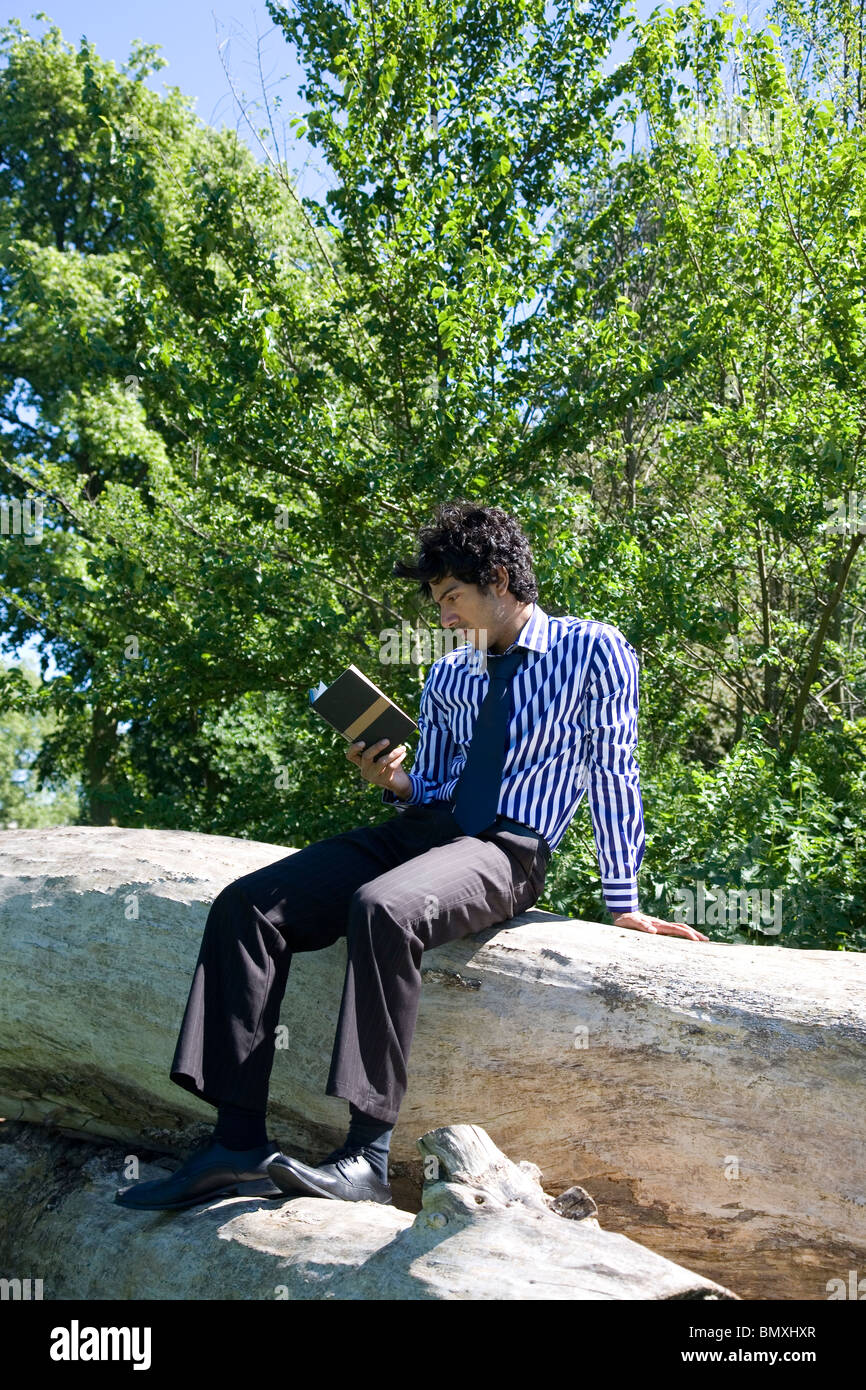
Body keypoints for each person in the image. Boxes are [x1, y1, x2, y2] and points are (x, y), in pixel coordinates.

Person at [115, 501, 705, 1213]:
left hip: (505, 848)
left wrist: (624, 902)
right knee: (249, 904)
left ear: (499, 577)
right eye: (438, 603)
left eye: (452, 597)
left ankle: (366, 1153)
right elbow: (436, 778)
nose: (446, 616)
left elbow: (615, 770)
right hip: (422, 828)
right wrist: (393, 781)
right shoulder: (450, 678)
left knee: (384, 907)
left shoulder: (594, 649)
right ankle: (235, 1144)